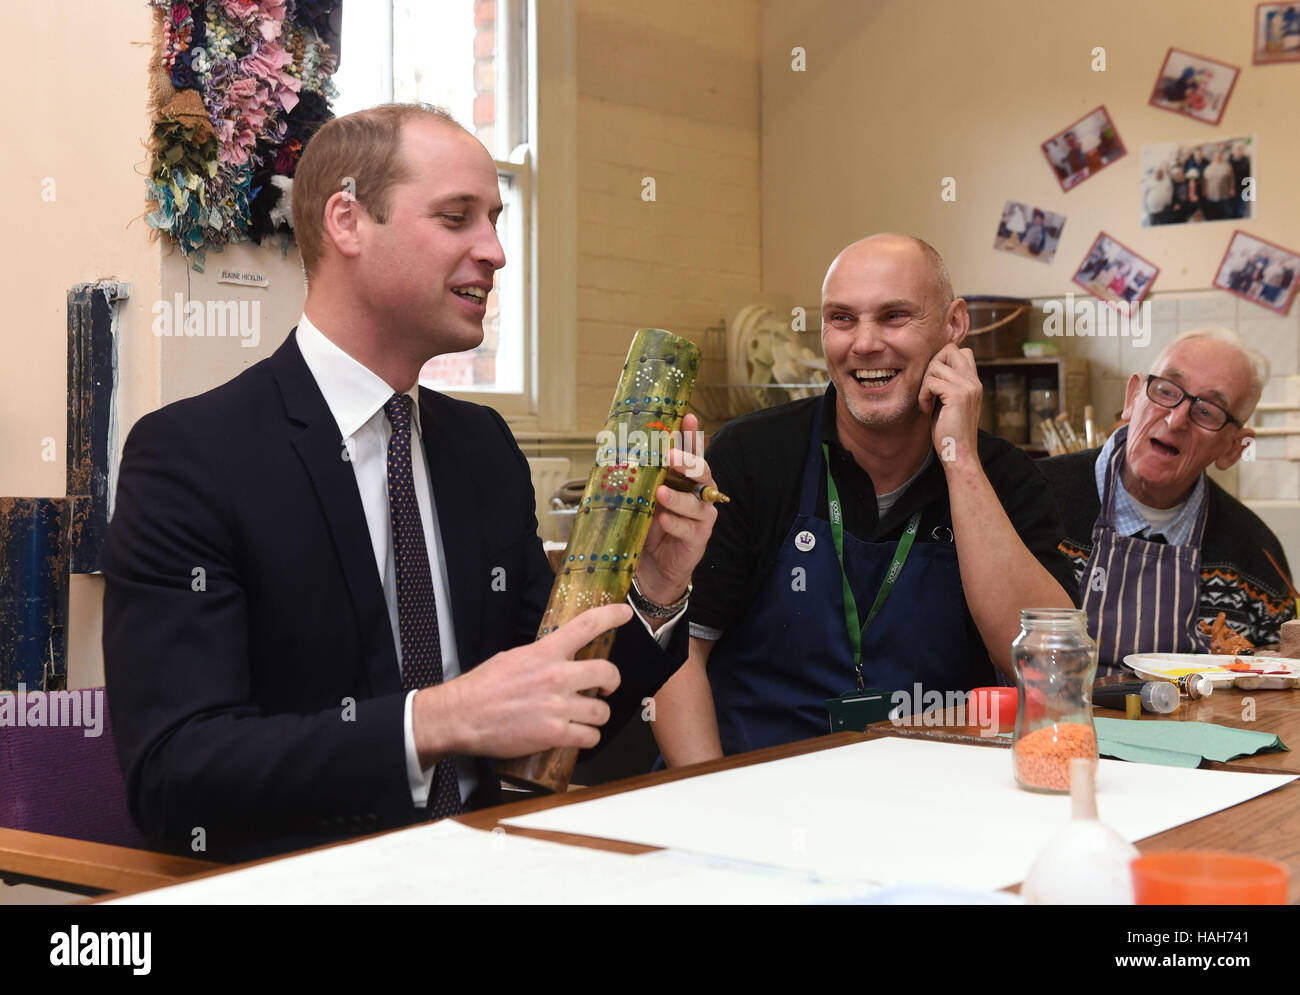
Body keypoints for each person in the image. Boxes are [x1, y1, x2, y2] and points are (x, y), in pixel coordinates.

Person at [101, 104, 718, 862]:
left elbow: (563, 717)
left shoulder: (484, 449)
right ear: (348, 221)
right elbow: (177, 776)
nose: (494, 251)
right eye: (457, 217)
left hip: (496, 868)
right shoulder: (191, 458)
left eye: (494, 219)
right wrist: (437, 720)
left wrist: (654, 587)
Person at [650, 234, 1077, 763]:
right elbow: (678, 653)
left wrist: (960, 459)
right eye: (842, 319)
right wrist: (713, 800)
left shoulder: (1006, 478)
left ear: (954, 326)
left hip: (934, 802)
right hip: (761, 796)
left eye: (895, 316)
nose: (865, 343)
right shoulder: (752, 457)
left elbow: (1048, 666)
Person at [1039, 329, 1295, 673]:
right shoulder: (1030, 501)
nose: (1176, 420)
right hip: (1049, 727)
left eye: (1208, 411)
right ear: (1132, 396)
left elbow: (1276, 692)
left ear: (1235, 448)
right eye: (1166, 391)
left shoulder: (1256, 558)